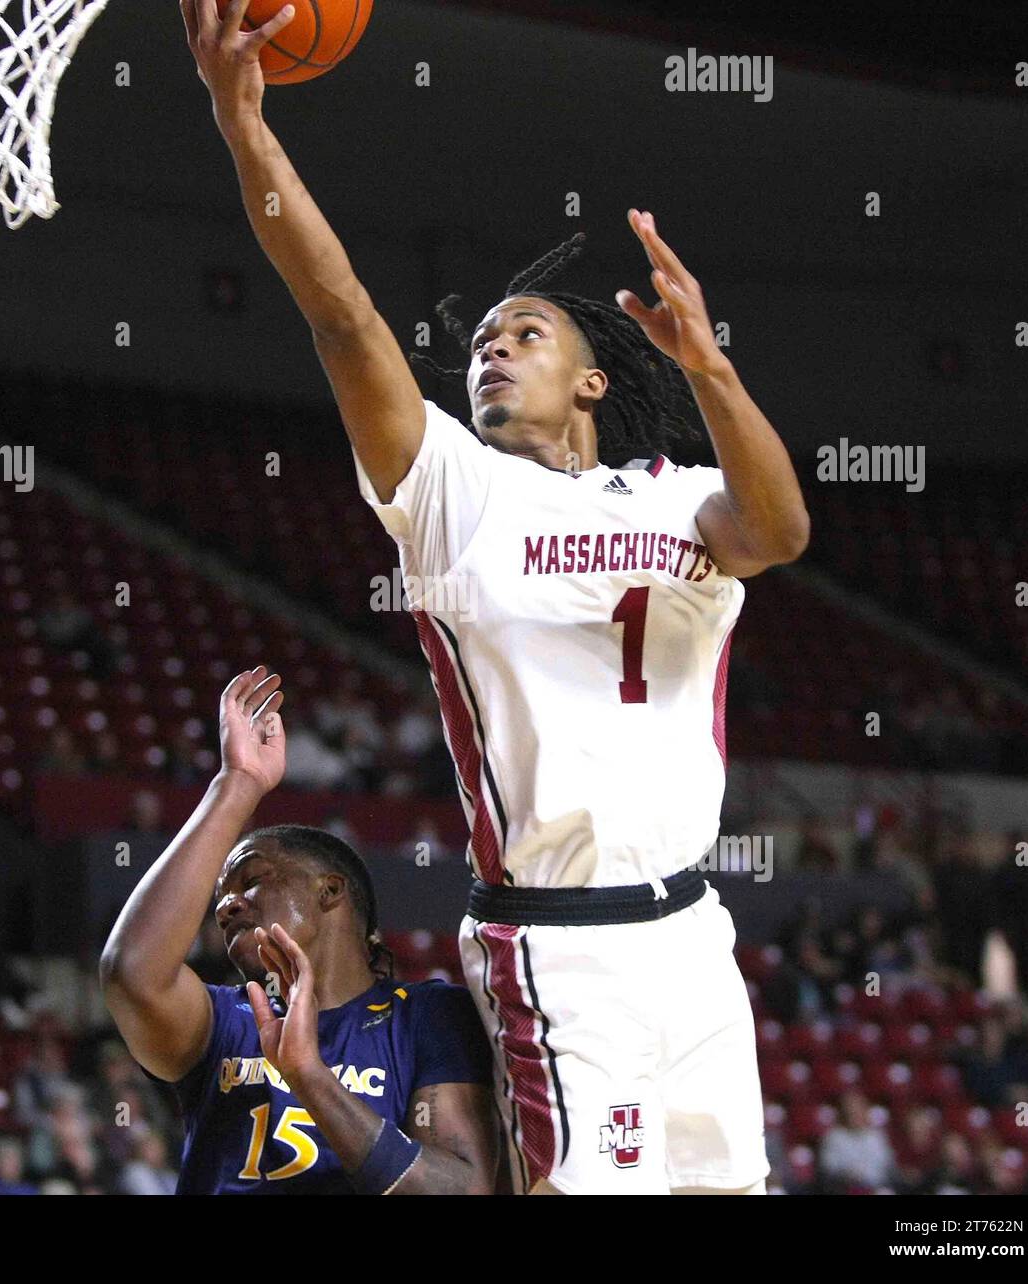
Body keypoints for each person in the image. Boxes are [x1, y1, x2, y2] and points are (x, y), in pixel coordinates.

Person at [181, 0, 810, 1194]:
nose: (491, 349)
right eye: (478, 342)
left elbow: (778, 533)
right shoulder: (449, 494)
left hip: (690, 927)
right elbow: (339, 311)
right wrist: (243, 125)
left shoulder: (679, 495)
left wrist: (712, 368)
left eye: (522, 334)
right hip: (558, 941)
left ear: (588, 383)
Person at [102, 666, 498, 1194]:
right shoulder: (226, 1020)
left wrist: (309, 1075)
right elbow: (131, 974)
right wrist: (237, 785)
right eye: (221, 897)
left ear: (330, 892)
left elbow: (459, 1189)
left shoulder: (426, 1016)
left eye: (252, 880)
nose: (226, 906)